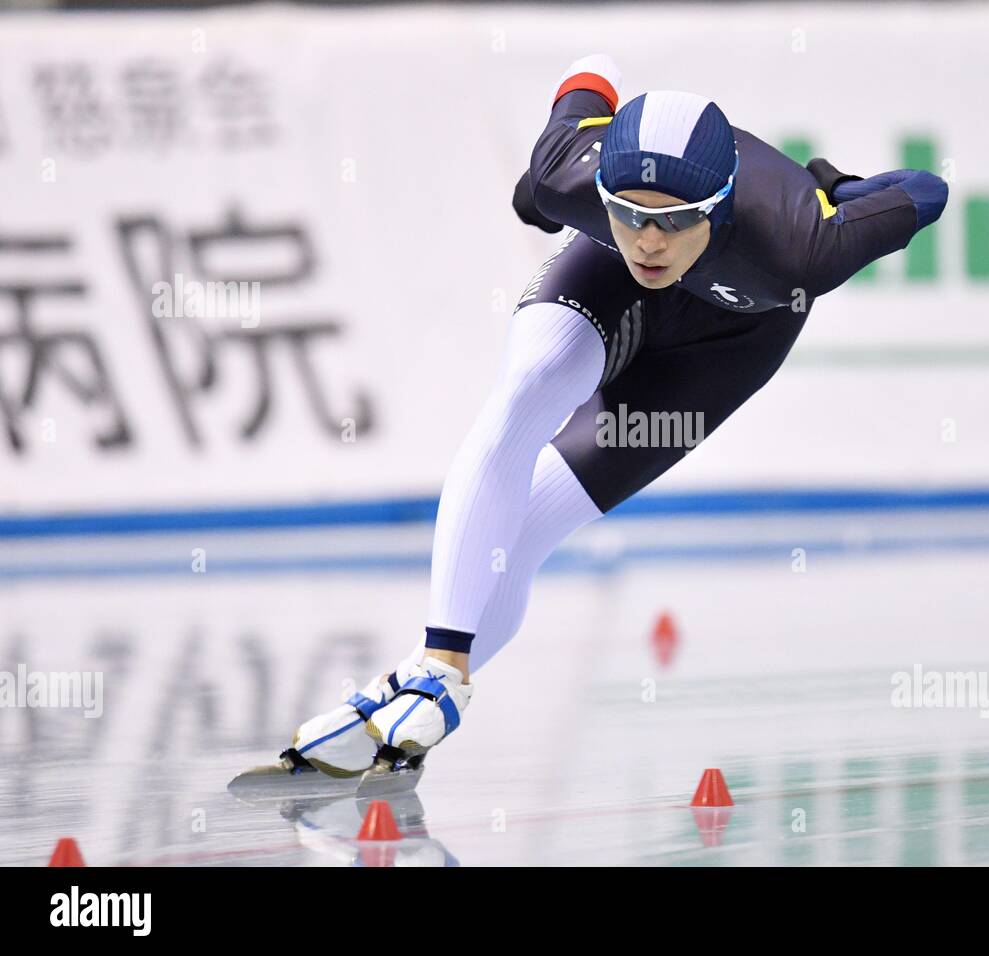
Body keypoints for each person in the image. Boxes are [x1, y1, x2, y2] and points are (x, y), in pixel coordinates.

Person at [276, 54, 948, 780]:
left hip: (723, 349)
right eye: (630, 213)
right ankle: (436, 672)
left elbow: (926, 190)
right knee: (528, 387)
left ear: (719, 207)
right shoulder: (568, 176)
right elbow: (590, 73)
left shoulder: (801, 243)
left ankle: (409, 683)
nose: (650, 242)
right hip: (605, 285)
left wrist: (832, 191)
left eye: (675, 221)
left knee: (530, 525)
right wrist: (555, 189)